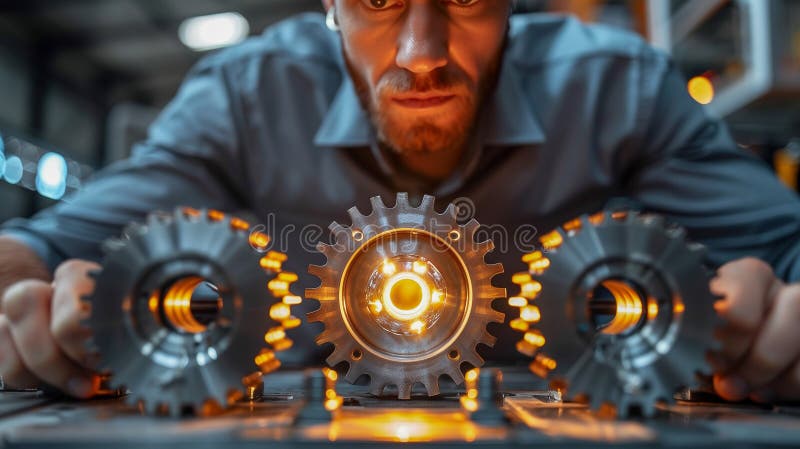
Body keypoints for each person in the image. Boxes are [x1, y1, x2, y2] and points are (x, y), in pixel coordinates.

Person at [1, 0, 799, 404]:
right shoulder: (247, 95)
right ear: (329, 7)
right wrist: (25, 309)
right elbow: (50, 242)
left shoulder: (615, 86)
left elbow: (786, 245)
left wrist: (783, 323)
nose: (424, 56)